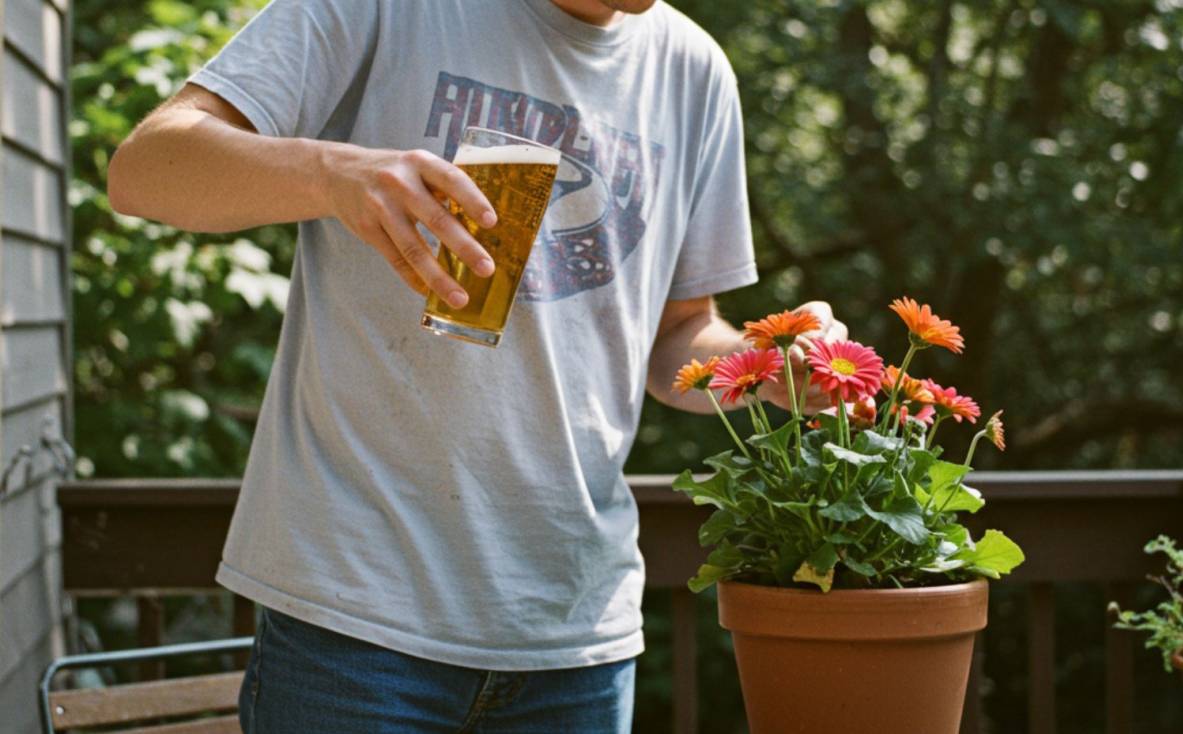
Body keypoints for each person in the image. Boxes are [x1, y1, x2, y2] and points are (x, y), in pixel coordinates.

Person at [107, 0, 846, 731]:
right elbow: (143, 169)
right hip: (352, 621)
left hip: (575, 635)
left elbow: (678, 333)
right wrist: (334, 175)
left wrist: (769, 367)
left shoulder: (694, 69)